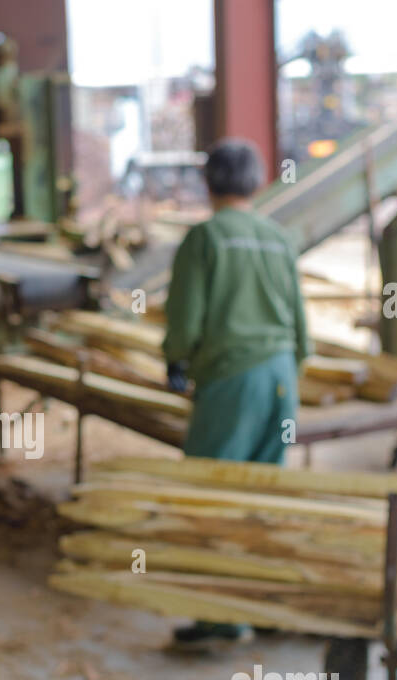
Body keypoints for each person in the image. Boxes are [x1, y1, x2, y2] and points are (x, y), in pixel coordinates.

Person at [162, 138, 309, 651]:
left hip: (232, 380)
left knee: (213, 494)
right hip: (282, 375)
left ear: (208, 183)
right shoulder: (278, 237)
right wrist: (294, 364)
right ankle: (264, 607)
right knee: (263, 495)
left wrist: (176, 360)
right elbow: (300, 320)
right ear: (257, 182)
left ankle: (223, 621)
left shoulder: (206, 239)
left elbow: (185, 316)